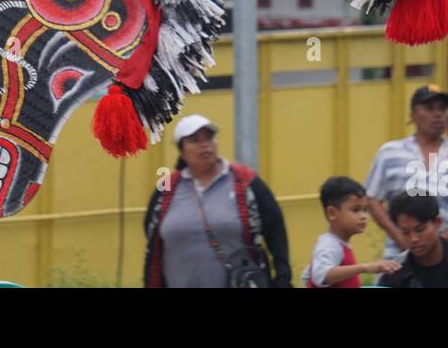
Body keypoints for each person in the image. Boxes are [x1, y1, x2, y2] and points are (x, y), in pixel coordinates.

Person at [143, 114, 291, 287]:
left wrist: (282, 278)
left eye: (209, 138)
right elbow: (151, 234)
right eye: (195, 140)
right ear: (182, 151)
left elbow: (276, 231)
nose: (204, 145)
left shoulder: (245, 182)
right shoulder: (167, 188)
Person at [364, 86, 448, 258]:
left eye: (442, 109)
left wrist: (441, 241)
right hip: (398, 256)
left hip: (447, 260)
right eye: (429, 108)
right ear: (412, 115)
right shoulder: (390, 153)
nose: (437, 115)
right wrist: (399, 237)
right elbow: (372, 199)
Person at [303, 176, 398, 288]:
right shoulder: (329, 244)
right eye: (355, 210)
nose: (363, 216)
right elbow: (321, 275)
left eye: (365, 210)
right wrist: (365, 268)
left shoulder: (339, 244)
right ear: (332, 213)